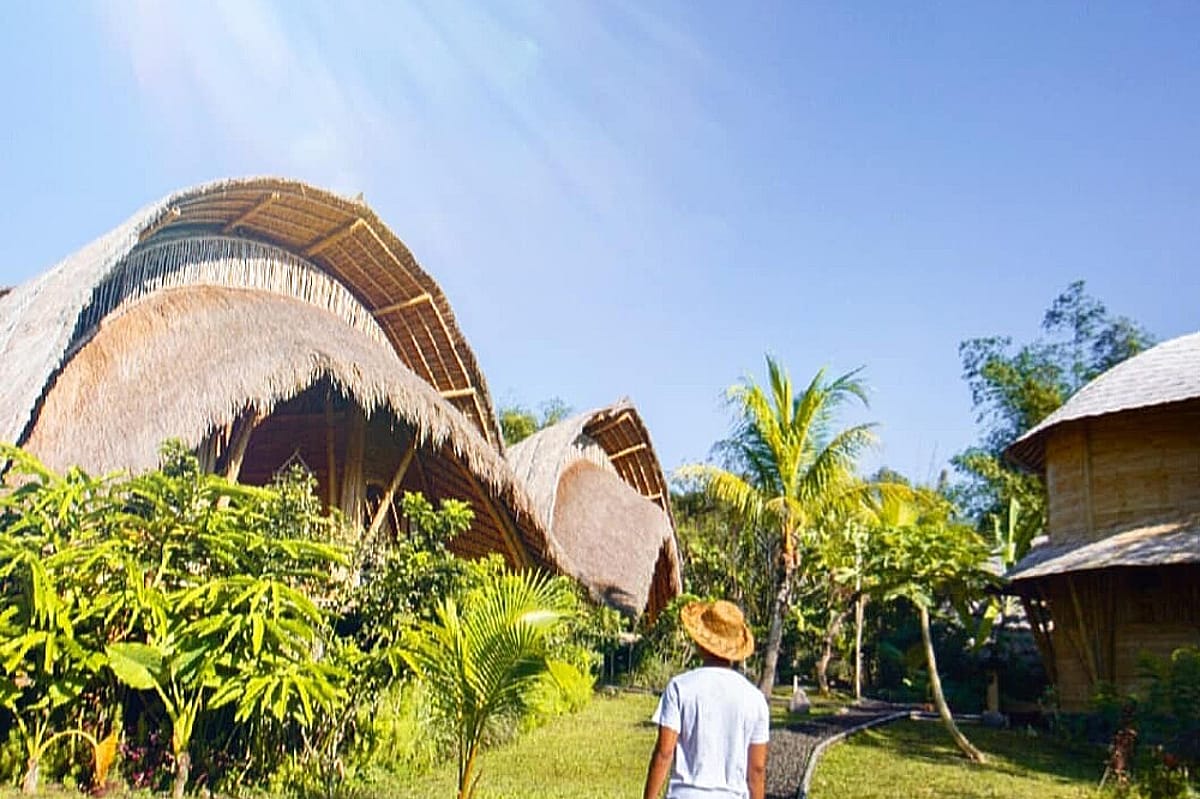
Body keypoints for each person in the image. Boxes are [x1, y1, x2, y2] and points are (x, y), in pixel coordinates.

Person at [643, 600, 769, 799]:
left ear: (701, 643)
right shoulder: (755, 699)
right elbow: (757, 769)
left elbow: (664, 752)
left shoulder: (680, 687)